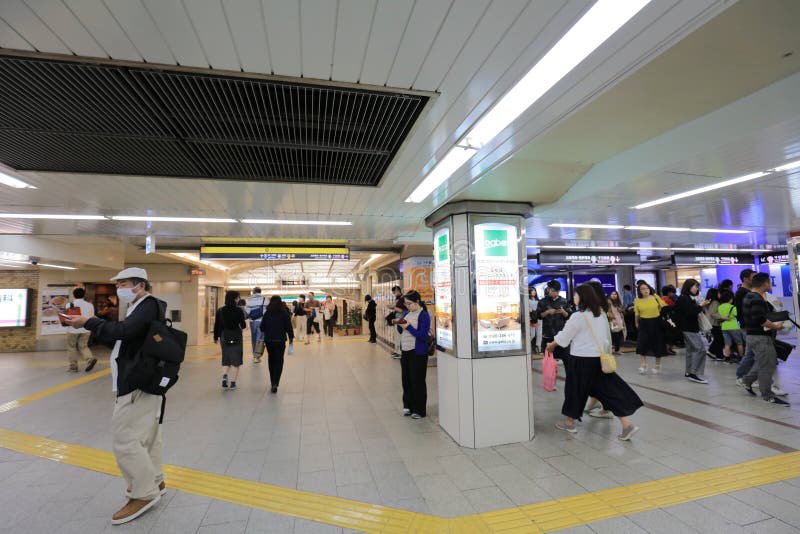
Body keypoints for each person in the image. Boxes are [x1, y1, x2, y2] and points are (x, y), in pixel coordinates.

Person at [63, 267, 165, 525]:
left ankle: (144, 493)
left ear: (140, 285)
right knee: (147, 435)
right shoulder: (141, 307)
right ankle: (155, 479)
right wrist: (99, 327)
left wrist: (89, 322)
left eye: (123, 284)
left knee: (125, 439)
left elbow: (123, 332)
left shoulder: (148, 305)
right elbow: (124, 339)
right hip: (140, 380)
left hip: (137, 383)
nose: (119, 289)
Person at [546, 284, 642, 440]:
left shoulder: (578, 316)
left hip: (581, 360)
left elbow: (564, 337)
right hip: (598, 359)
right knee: (606, 392)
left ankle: (569, 423)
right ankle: (627, 425)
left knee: (575, 390)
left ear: (582, 297)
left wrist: (552, 344)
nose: (574, 298)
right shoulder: (600, 314)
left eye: (576, 295)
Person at [740, 273, 790, 406]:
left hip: (752, 336)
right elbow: (760, 319)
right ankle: (767, 395)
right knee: (767, 366)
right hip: (760, 337)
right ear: (764, 284)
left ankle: (747, 381)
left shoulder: (749, 296)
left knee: (767, 361)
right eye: (769, 282)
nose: (770, 284)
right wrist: (776, 326)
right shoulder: (756, 298)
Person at [395, 290, 431, 419]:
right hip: (405, 351)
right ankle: (408, 406)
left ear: (417, 302)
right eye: (406, 304)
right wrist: (400, 323)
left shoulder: (424, 315)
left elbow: (422, 336)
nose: (407, 306)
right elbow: (401, 330)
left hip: (418, 352)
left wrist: (408, 327)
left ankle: (419, 409)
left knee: (418, 381)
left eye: (409, 304)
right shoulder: (407, 313)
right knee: (406, 379)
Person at [673, 279, 710, 384]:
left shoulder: (685, 298)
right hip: (689, 328)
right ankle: (695, 373)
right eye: (695, 286)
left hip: (688, 328)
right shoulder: (684, 299)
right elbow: (691, 312)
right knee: (700, 349)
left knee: (691, 350)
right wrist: (700, 306)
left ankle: (689, 372)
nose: (697, 288)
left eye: (697, 287)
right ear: (689, 287)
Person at [260, 295, 294, 393]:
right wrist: (291, 338)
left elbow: (262, 327)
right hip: (280, 341)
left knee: (271, 360)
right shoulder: (284, 313)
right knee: (279, 361)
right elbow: (289, 327)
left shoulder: (267, 313)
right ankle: (276, 383)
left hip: (269, 341)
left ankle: (272, 382)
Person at [214, 290, 246, 390]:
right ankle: (232, 384)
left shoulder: (220, 310)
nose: (238, 299)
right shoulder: (239, 310)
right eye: (238, 297)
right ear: (235, 299)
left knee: (226, 358)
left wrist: (216, 337)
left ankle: (224, 376)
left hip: (224, 336)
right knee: (236, 361)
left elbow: (217, 325)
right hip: (236, 335)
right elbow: (243, 325)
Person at [634, 281, 666, 374]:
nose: (645, 290)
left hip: (656, 322)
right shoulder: (637, 300)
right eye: (643, 289)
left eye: (647, 288)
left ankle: (657, 365)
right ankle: (643, 364)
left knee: (657, 343)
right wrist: (636, 323)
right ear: (639, 291)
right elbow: (636, 313)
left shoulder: (655, 297)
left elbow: (664, 307)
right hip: (644, 323)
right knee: (641, 343)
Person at [65, 287, 98, 373]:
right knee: (83, 346)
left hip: (73, 329)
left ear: (74, 295)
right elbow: (92, 317)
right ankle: (89, 360)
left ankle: (73, 367)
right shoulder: (90, 305)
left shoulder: (69, 305)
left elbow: (68, 318)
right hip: (86, 329)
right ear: (84, 295)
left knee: (71, 347)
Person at [537, 280, 570, 359]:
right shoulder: (542, 302)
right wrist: (547, 312)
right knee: (548, 360)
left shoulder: (564, 301)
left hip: (561, 335)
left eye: (557, 291)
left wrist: (563, 312)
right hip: (547, 334)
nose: (555, 293)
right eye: (553, 291)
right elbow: (538, 316)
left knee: (565, 358)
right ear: (548, 289)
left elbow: (568, 316)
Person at [734, 269, 756, 381]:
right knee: (750, 352)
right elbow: (739, 311)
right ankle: (741, 376)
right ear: (745, 279)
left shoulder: (750, 291)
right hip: (747, 326)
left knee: (751, 352)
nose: (755, 279)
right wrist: (743, 324)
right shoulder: (741, 293)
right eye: (753, 277)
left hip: (752, 326)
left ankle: (748, 377)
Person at [719, 290, 744, 364]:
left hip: (724, 327)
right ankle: (741, 358)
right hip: (734, 327)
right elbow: (737, 315)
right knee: (739, 343)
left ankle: (727, 358)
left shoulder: (720, 307)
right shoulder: (733, 307)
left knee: (727, 344)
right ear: (730, 299)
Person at [245, 287, 266, 362]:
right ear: (260, 292)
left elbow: (247, 312)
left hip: (252, 321)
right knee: (260, 338)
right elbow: (266, 312)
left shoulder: (249, 300)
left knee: (253, 338)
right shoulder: (265, 299)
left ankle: (254, 354)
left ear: (253, 292)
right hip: (261, 321)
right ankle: (257, 357)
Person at [705, 288, 725, 360]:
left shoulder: (709, 302)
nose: (720, 295)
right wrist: (723, 317)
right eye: (719, 293)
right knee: (719, 339)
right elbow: (713, 314)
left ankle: (715, 353)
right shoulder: (715, 302)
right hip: (714, 323)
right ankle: (715, 353)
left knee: (718, 339)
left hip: (711, 323)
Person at [391, 286, 408, 359]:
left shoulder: (402, 299)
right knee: (397, 336)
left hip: (400, 319)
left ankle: (400, 353)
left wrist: (393, 308)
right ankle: (397, 351)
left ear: (398, 290)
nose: (394, 294)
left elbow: (402, 310)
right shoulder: (398, 299)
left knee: (399, 336)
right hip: (397, 319)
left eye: (394, 292)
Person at [607, 290, 625, 355]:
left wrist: (621, 310)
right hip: (613, 320)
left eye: (615, 294)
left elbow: (621, 311)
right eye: (612, 294)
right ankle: (613, 350)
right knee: (614, 335)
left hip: (619, 320)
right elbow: (609, 312)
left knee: (619, 335)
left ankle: (617, 350)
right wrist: (613, 319)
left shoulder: (618, 302)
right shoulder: (609, 302)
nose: (614, 295)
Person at [529, 288, 540, 354]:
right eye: (533, 291)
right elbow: (529, 310)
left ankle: (538, 348)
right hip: (532, 318)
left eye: (535, 290)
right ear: (529, 292)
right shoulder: (527, 300)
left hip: (539, 318)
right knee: (532, 334)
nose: (534, 292)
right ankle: (527, 345)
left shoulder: (538, 300)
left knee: (539, 334)